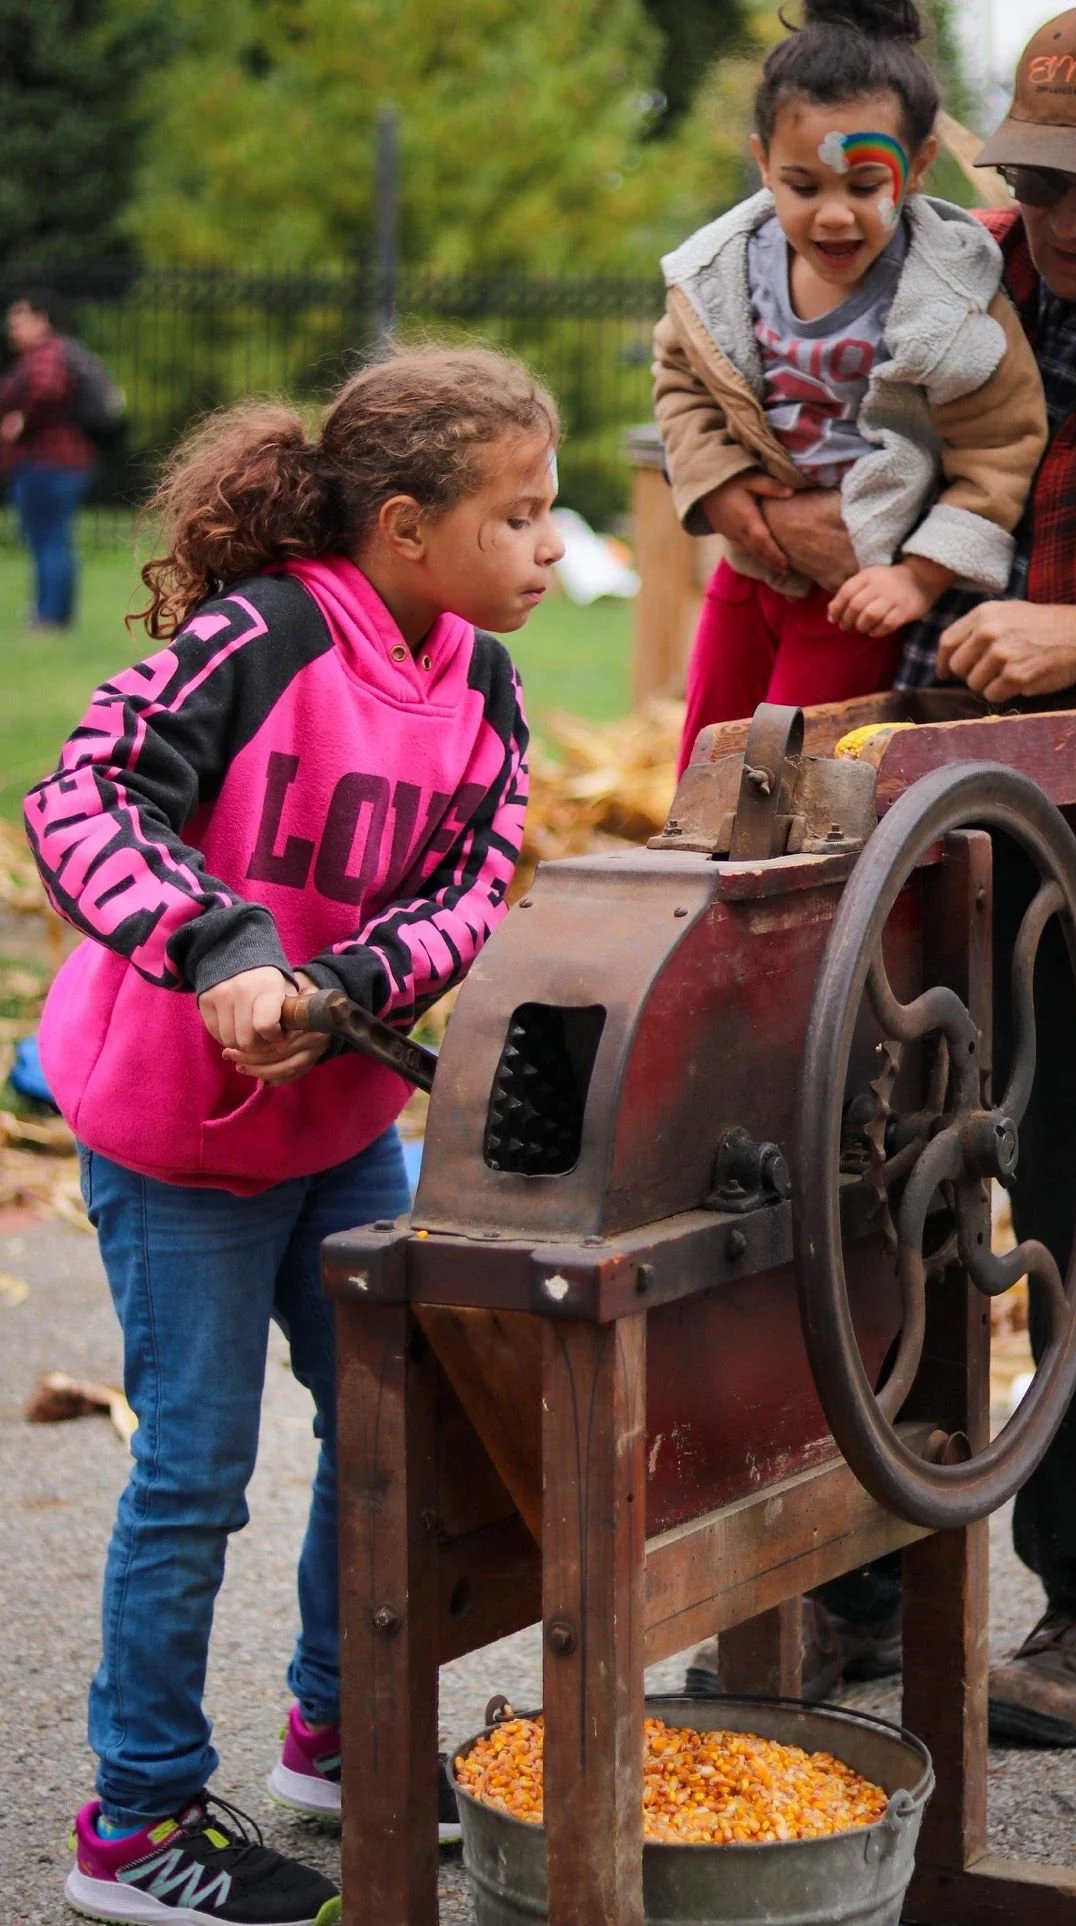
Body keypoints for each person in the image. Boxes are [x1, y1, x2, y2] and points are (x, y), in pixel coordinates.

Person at [750, 0, 1076, 1746]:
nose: (1057, 222)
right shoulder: (954, 283)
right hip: (933, 839)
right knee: (869, 1202)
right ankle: (845, 1584)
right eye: (1035, 181)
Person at [24, 345, 564, 1922]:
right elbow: (84, 794)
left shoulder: (481, 679)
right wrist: (220, 946)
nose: (549, 543)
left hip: (338, 1126)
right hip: (173, 1134)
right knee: (192, 1469)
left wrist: (333, 983)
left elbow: (472, 883)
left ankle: (341, 1723)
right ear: (407, 526)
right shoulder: (260, 638)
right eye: (517, 513)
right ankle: (132, 1823)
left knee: (385, 1429)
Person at [654, 0, 1048, 773]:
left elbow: (1001, 446)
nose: (834, 217)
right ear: (763, 161)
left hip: (851, 598)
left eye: (867, 186)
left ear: (921, 164)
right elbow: (681, 382)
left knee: (794, 786)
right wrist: (726, 493)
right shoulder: (724, 279)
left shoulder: (948, 304)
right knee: (704, 767)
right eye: (802, 186)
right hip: (748, 572)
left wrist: (919, 574)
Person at [1, 289, 96, 629]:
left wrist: (20, 419)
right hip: (60, 463)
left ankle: (48, 616)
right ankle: (53, 612)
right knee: (52, 538)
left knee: (48, 539)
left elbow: (46, 391)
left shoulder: (46, 356)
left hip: (48, 463)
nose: (12, 328)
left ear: (42, 320)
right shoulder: (47, 355)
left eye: (19, 319)